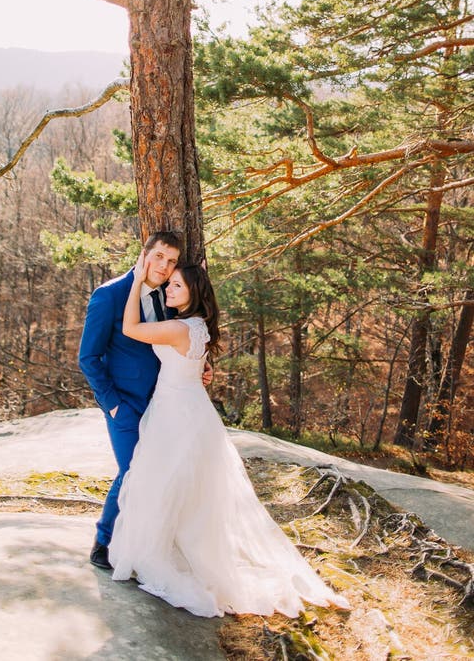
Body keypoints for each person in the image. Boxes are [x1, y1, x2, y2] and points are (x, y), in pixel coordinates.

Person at [108, 253, 351, 618]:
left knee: (165, 482)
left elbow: (130, 328)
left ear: (192, 293)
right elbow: (194, 361)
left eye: (177, 285)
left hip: (176, 413)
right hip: (191, 410)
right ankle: (183, 546)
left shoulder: (178, 329)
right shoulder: (199, 325)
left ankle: (166, 551)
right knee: (186, 487)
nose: (170, 289)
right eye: (169, 283)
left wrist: (137, 281)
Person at [78, 231, 213, 570]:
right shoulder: (109, 295)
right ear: (144, 254)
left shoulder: (170, 297)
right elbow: (88, 358)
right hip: (123, 404)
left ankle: (146, 541)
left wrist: (198, 366)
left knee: (159, 473)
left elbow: (177, 340)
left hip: (163, 404)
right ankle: (104, 541)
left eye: (171, 262)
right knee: (132, 471)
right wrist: (112, 405)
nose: (164, 267)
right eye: (159, 257)